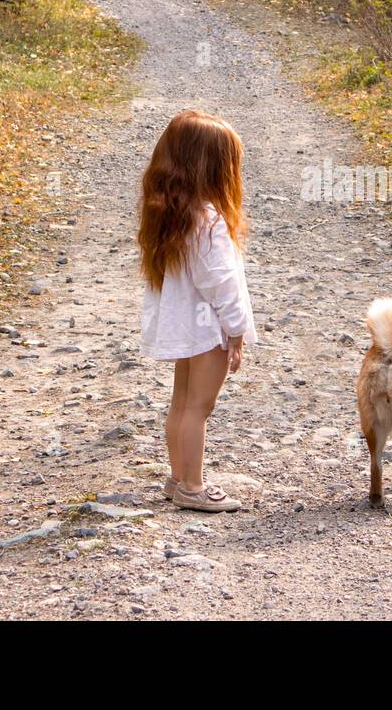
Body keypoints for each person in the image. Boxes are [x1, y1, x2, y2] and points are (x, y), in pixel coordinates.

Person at [137, 110, 257, 512]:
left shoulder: (174, 216)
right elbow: (222, 285)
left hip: (189, 329)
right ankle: (193, 485)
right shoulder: (209, 223)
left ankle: (177, 477)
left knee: (181, 403)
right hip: (209, 332)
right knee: (198, 409)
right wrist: (236, 331)